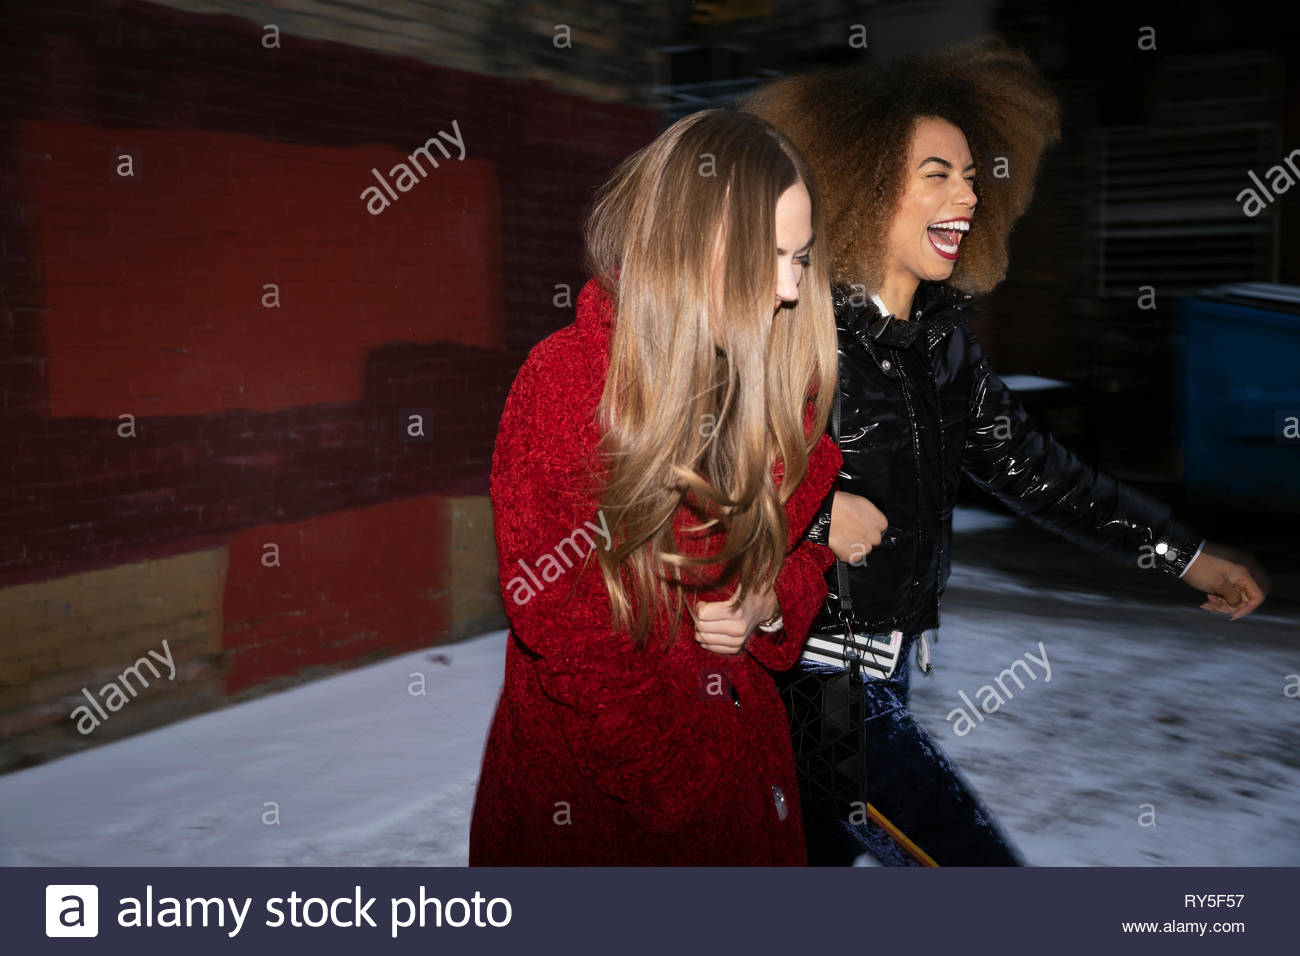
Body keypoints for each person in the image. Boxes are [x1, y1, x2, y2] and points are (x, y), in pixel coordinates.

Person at [741, 39, 1267, 866]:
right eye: (938, 174)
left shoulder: (943, 350)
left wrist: (1185, 555)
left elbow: (1041, 473)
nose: (968, 194)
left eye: (973, 176)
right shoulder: (793, 333)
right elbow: (690, 477)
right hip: (808, 675)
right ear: (864, 182)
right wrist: (810, 515)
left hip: (890, 666)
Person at [468, 108, 844, 865]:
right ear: (688, 245)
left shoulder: (768, 379)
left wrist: (770, 606)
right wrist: (679, 782)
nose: (790, 288)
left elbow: (799, 554)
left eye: (801, 258)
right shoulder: (571, 384)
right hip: (614, 811)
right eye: (767, 256)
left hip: (748, 781)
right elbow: (570, 633)